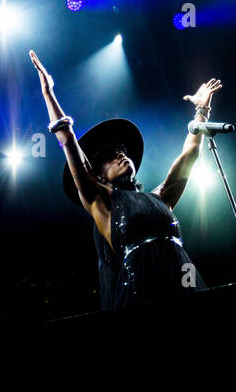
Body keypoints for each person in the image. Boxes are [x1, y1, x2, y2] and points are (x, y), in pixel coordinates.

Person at [29, 49, 221, 309]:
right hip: (140, 295)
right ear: (98, 175)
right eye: (111, 156)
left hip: (181, 285)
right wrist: (48, 94)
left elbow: (188, 156)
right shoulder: (101, 202)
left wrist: (201, 110)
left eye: (122, 152)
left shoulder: (159, 198)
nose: (120, 154)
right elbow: (68, 141)